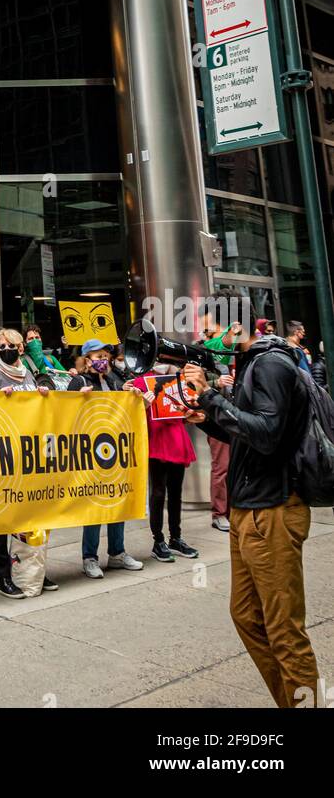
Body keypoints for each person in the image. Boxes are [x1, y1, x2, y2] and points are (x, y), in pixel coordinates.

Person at [183, 324, 317, 709]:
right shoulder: (252, 364)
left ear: (239, 324)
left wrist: (210, 396)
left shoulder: (272, 364)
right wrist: (208, 417)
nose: (208, 336)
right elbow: (248, 434)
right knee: (246, 617)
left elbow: (268, 434)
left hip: (272, 510)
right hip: (249, 511)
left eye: (214, 326)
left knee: (284, 632)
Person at [0, 328, 53, 596]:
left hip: (31, 455)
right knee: (2, 520)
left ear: (20, 348)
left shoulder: (30, 374)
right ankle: (2, 575)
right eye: (0, 345)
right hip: (5, 456)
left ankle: (35, 569)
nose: (4, 349)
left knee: (33, 516)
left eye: (9, 344)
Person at [69, 341, 144, 579]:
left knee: (116, 503)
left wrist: (133, 396)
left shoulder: (114, 381)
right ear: (86, 359)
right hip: (91, 454)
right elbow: (62, 412)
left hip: (114, 453)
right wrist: (75, 399)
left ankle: (117, 553)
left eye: (105, 355)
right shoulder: (79, 382)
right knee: (94, 507)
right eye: (98, 355)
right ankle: (89, 557)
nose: (104, 359)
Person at [130, 370, 199, 562]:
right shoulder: (140, 381)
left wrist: (191, 408)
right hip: (157, 437)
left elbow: (187, 408)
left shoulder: (178, 379)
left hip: (176, 436)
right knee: (158, 492)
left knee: (175, 492)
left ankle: (175, 538)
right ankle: (158, 540)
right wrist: (143, 403)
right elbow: (134, 413)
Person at [198, 300, 244, 533]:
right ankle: (219, 512)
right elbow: (193, 383)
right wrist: (217, 382)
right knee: (222, 465)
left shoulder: (229, 351)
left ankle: (232, 508)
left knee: (234, 464)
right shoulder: (202, 352)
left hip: (235, 411)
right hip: (217, 414)